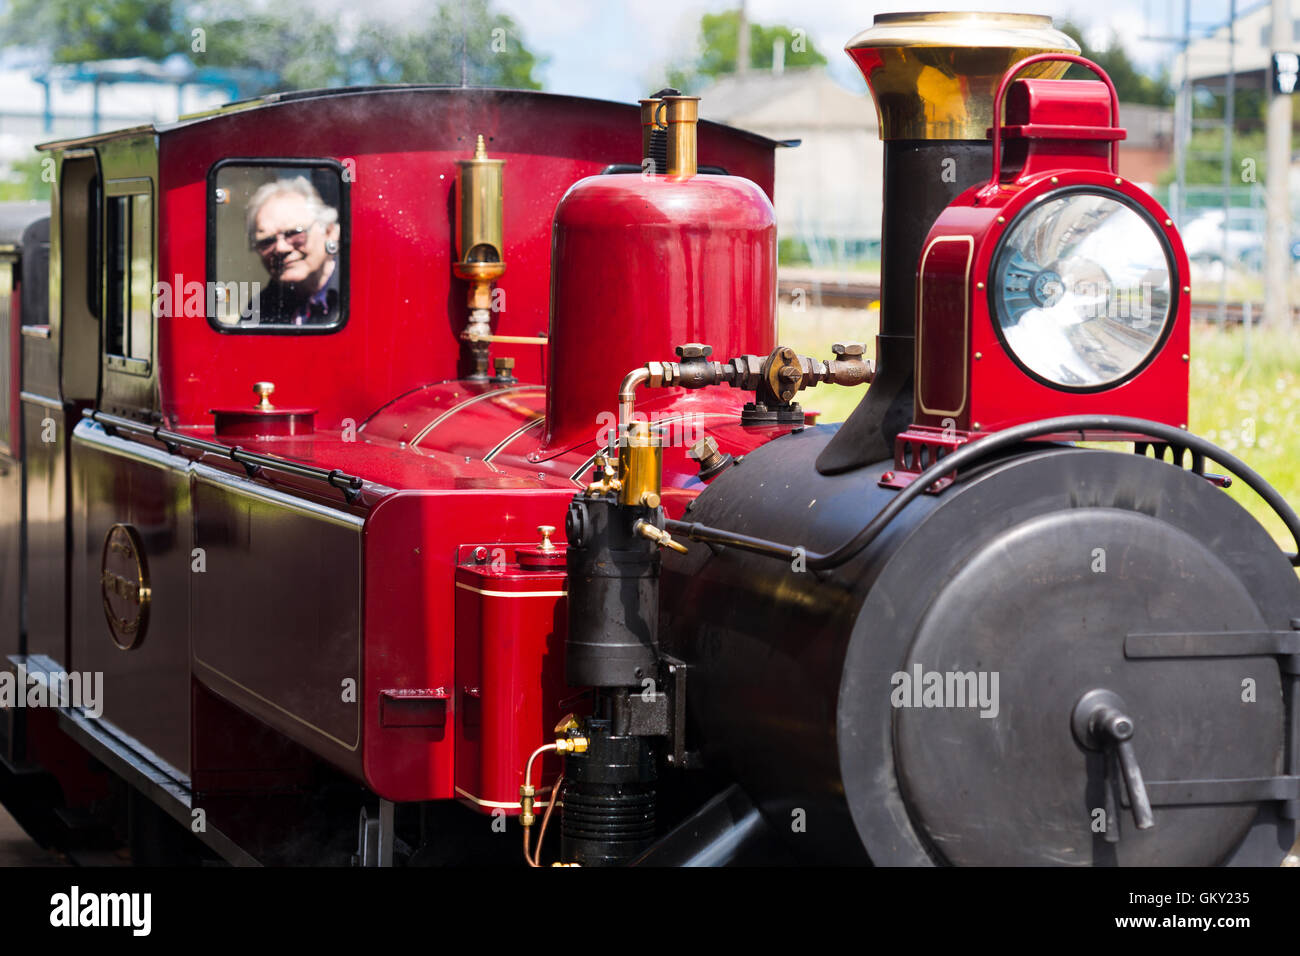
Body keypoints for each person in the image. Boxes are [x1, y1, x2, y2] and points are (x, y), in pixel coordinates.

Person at [245, 177, 340, 325]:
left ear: (329, 232)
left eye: (294, 234)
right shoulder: (259, 310)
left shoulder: (362, 293)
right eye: (267, 241)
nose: (281, 248)